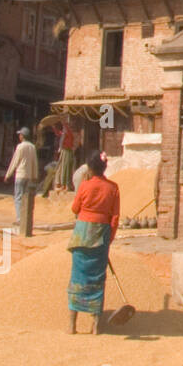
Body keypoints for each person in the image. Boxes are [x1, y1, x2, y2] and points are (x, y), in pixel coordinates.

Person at [67, 152, 120, 335]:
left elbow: (75, 208)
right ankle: (95, 325)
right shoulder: (113, 188)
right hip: (100, 235)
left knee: (78, 277)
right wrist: (108, 240)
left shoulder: (84, 185)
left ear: (89, 169)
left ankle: (72, 325)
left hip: (82, 234)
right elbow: (114, 218)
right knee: (97, 279)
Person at [4, 126, 39, 229]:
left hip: (20, 175)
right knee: (25, 197)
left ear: (22, 136)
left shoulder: (20, 147)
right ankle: (25, 219)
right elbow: (34, 162)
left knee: (18, 197)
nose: (19, 136)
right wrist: (34, 175)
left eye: (20, 134)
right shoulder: (32, 147)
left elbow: (14, 161)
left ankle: (20, 219)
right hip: (28, 176)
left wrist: (8, 175)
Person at [55, 118, 78, 192]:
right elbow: (63, 138)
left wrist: (60, 147)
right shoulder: (67, 131)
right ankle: (65, 184)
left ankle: (64, 184)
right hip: (67, 150)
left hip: (66, 150)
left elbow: (62, 139)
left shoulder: (66, 130)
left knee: (65, 167)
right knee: (65, 167)